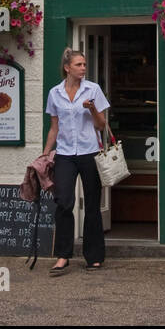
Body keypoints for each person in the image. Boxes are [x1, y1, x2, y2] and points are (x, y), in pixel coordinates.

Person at [44, 48, 110, 274]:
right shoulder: (55, 93)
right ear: (67, 68)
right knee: (63, 202)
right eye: (79, 65)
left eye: (84, 64)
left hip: (89, 151)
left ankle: (94, 256)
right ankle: (63, 255)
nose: (83, 68)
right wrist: (45, 154)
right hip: (64, 154)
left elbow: (101, 125)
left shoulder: (93, 90)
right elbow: (54, 127)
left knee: (92, 204)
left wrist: (92, 108)